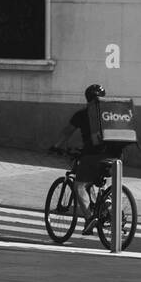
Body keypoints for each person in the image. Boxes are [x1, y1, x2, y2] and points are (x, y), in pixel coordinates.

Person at [52, 84, 109, 235]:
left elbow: (67, 132)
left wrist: (56, 146)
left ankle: (90, 218)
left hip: (92, 155)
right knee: (98, 180)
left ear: (87, 98)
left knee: (79, 185)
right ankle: (109, 207)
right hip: (114, 155)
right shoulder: (109, 114)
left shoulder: (82, 115)